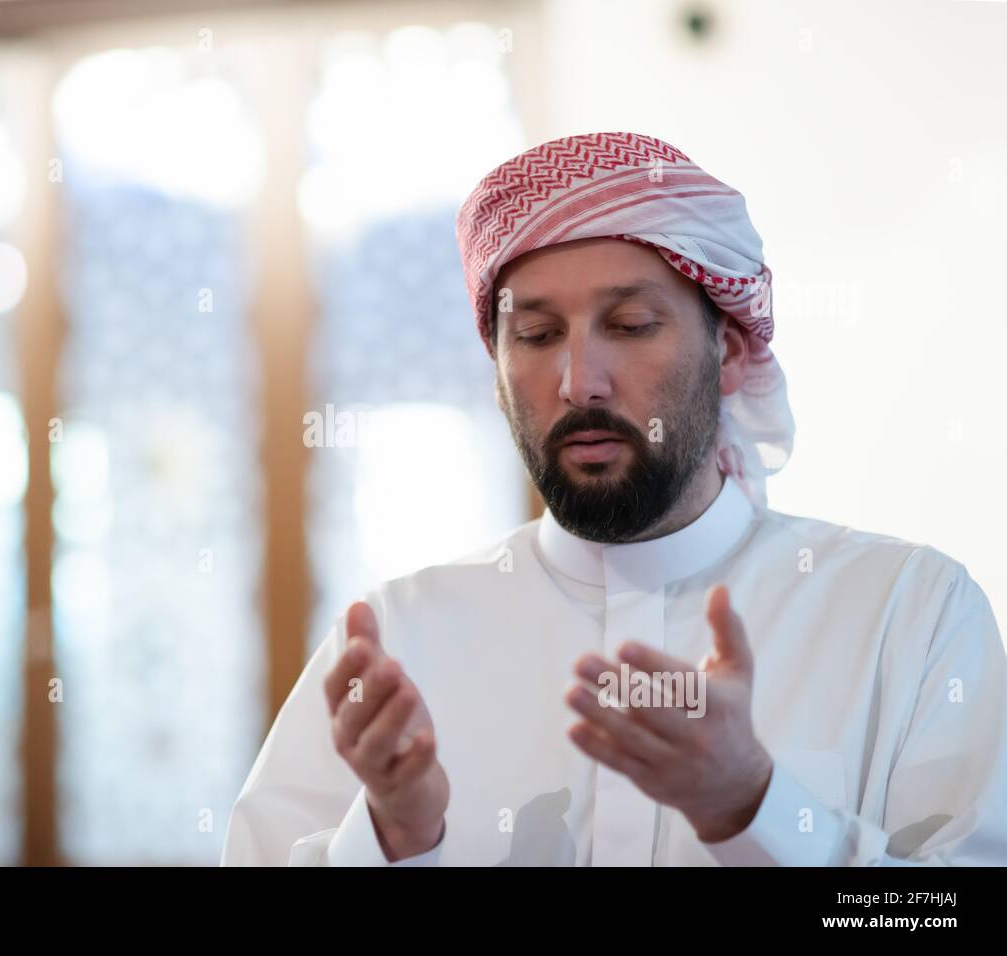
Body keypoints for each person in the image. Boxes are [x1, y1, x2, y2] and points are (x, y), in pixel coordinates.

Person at [221, 132, 1007, 866]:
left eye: (629, 325)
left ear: (728, 352)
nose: (578, 382)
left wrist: (754, 807)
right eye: (534, 336)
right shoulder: (397, 640)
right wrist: (394, 835)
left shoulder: (910, 612)